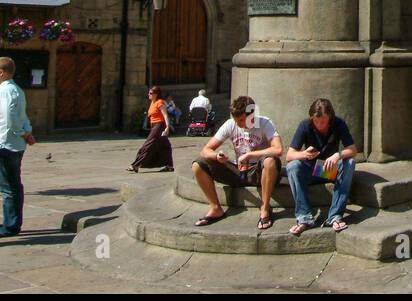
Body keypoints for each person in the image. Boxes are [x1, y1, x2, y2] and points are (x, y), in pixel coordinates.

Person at [191, 96, 284, 229]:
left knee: (270, 161)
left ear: (252, 115)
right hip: (237, 169)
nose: (238, 124)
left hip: (258, 170)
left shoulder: (264, 123)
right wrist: (217, 156)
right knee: (198, 164)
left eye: (241, 120)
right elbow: (206, 150)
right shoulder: (231, 124)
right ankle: (216, 208)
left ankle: (264, 208)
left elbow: (278, 149)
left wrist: (250, 154)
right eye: (236, 120)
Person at [284, 98, 359, 235]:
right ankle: (304, 218)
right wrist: (304, 154)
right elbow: (289, 155)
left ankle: (335, 216)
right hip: (311, 171)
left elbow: (353, 150)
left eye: (323, 122)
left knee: (350, 162)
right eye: (316, 121)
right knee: (292, 166)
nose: (319, 125)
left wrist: (338, 155)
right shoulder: (305, 125)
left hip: (329, 170)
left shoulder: (338, 123)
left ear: (330, 117)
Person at [0, 57, 34, 238]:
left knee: (9, 187)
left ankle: (10, 225)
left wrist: (22, 133)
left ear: (2, 73)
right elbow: (23, 117)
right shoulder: (15, 90)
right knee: (12, 185)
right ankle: (12, 222)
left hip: (6, 144)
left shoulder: (6, 91)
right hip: (14, 143)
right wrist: (27, 132)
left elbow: (9, 120)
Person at [128, 86, 174, 172]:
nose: (148, 94)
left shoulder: (160, 102)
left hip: (159, 126)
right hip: (154, 126)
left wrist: (167, 127)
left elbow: (165, 115)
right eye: (149, 93)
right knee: (165, 146)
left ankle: (136, 165)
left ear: (156, 94)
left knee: (147, 145)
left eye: (151, 93)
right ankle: (169, 165)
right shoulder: (153, 102)